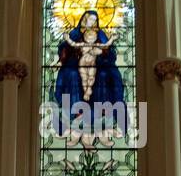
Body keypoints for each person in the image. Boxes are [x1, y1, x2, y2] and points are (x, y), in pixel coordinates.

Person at [52, 9, 126, 138]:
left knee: (103, 75)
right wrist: (61, 61)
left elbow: (109, 51)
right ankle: (75, 111)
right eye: (90, 19)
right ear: (84, 19)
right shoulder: (75, 34)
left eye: (94, 20)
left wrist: (101, 53)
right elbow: (66, 48)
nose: (92, 22)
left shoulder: (100, 34)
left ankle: (102, 109)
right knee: (72, 74)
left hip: (98, 65)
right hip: (76, 65)